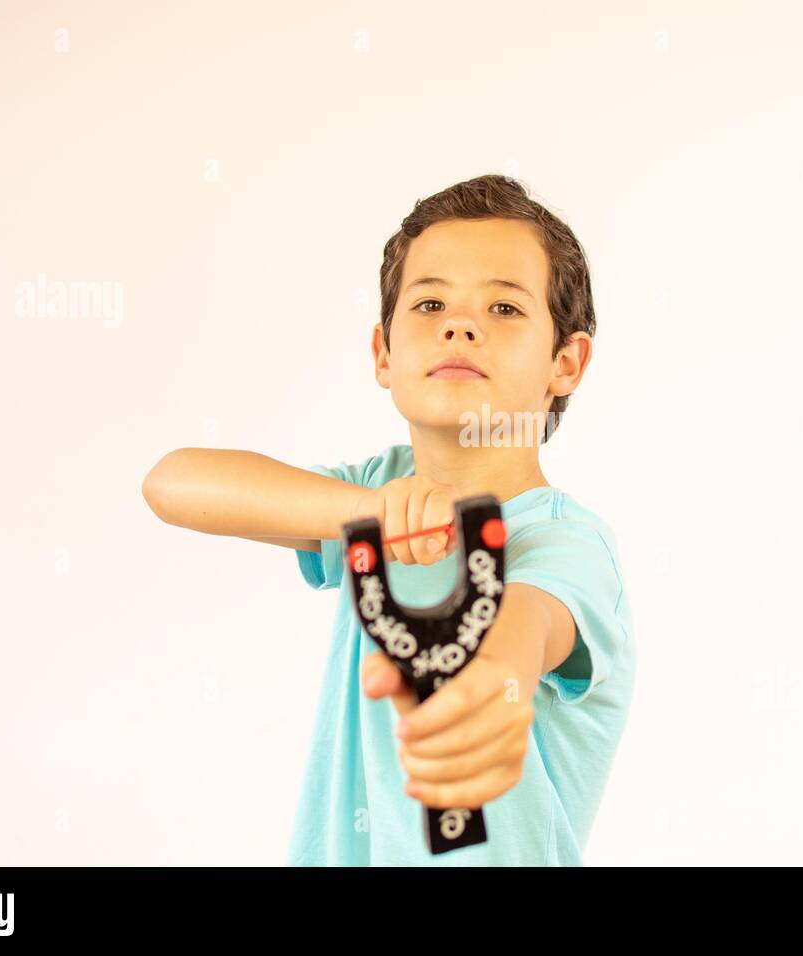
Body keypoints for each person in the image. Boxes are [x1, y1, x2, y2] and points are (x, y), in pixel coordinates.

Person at [142, 174, 635, 865]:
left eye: (504, 308)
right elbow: (173, 483)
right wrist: (372, 514)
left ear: (566, 362)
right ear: (383, 353)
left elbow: (524, 628)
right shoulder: (372, 490)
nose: (461, 325)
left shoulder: (567, 544)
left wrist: (491, 685)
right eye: (431, 302)